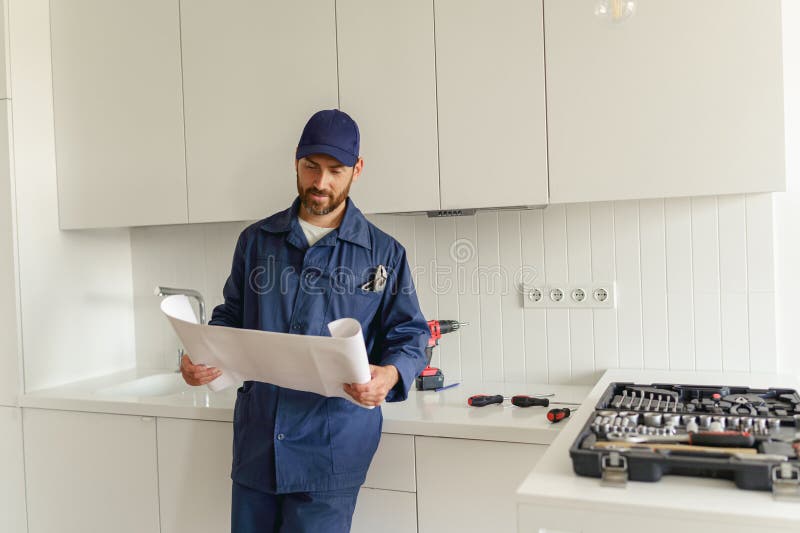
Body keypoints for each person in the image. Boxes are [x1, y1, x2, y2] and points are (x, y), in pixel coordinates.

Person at [179, 109, 430, 532]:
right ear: (296, 161)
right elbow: (231, 315)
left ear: (357, 169)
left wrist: (388, 375)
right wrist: (200, 356)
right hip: (258, 442)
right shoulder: (257, 241)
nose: (321, 182)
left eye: (336, 170)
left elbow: (409, 335)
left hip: (331, 450)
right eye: (311, 167)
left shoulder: (384, 253)